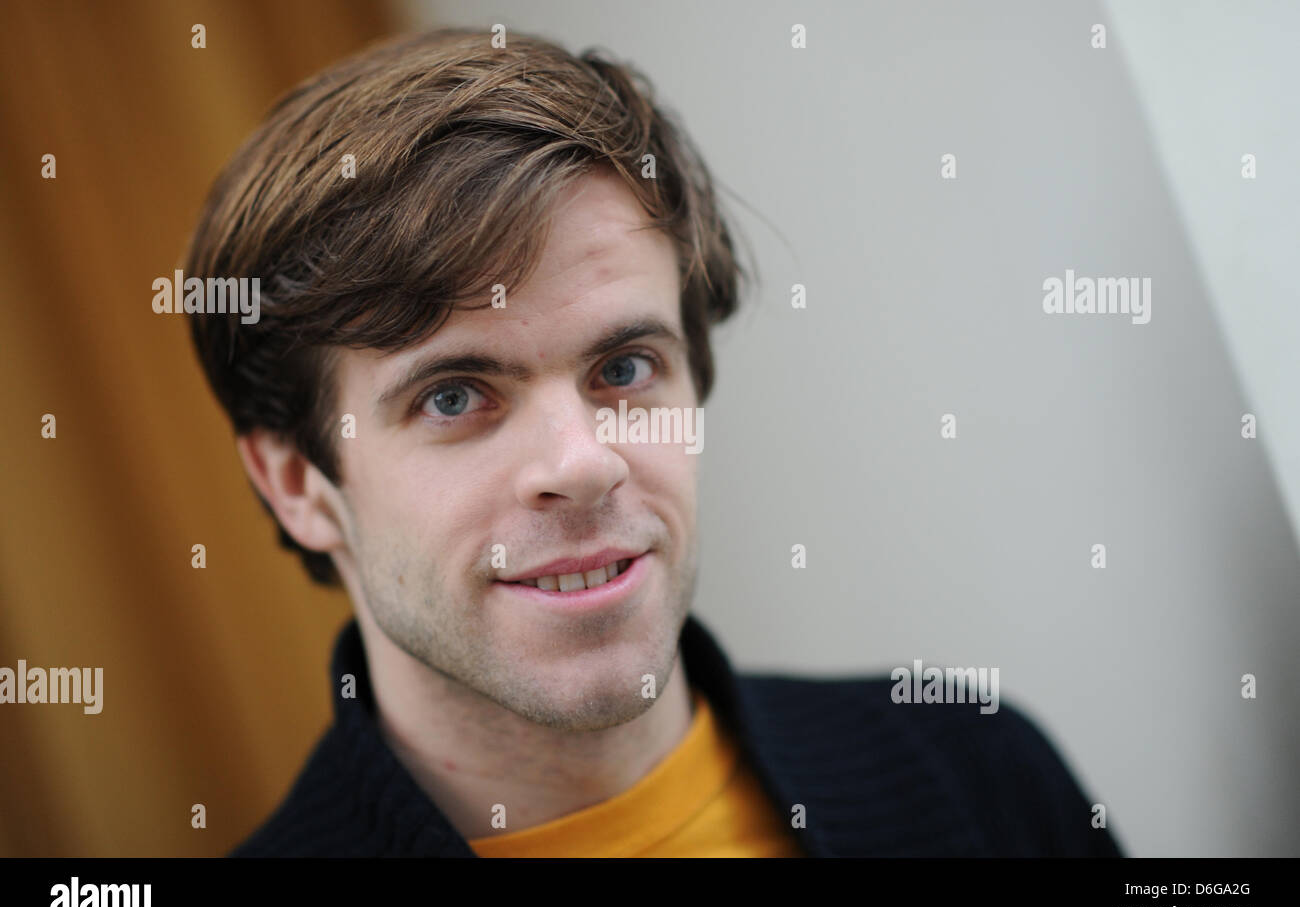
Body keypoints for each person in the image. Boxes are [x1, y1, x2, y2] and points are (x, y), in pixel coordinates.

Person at [183, 27, 1123, 857]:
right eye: (456, 394)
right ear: (297, 482)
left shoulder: (976, 771)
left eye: (624, 369)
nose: (585, 462)